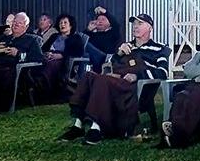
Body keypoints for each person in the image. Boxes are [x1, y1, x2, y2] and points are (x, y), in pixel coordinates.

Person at [58, 14, 168, 144]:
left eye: (140, 24)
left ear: (150, 28)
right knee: (88, 76)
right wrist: (118, 54)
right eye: (134, 24)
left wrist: (137, 76)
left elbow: (163, 72)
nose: (135, 27)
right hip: (115, 80)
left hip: (133, 87)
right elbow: (108, 64)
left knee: (102, 81)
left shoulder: (159, 48)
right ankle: (78, 125)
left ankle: (96, 128)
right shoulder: (126, 46)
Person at [37, 12, 86, 101]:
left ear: (71, 25)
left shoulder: (75, 38)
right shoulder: (54, 36)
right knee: (40, 62)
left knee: (51, 65)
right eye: (60, 23)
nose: (62, 25)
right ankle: (37, 84)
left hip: (63, 62)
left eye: (65, 22)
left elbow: (79, 52)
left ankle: (43, 86)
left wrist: (62, 55)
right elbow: (43, 48)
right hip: (48, 57)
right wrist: (47, 53)